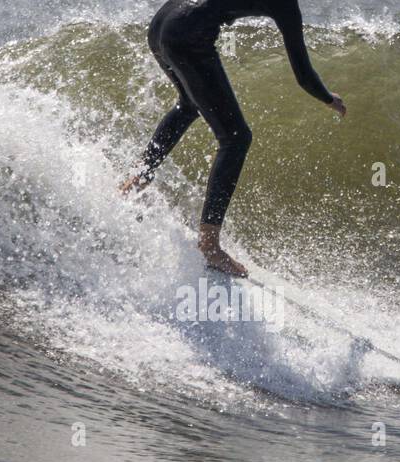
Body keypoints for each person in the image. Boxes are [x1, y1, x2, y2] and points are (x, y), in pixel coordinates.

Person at [120, 0, 346, 277]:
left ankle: (137, 178)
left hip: (161, 27)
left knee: (189, 104)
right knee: (236, 138)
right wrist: (328, 98)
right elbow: (304, 76)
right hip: (189, 36)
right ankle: (210, 245)